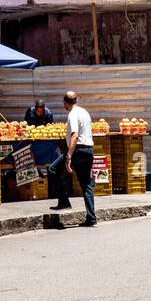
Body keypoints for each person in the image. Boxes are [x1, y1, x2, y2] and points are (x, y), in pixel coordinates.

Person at [47, 90, 97, 227]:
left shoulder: (72, 115)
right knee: (86, 184)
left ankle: (64, 201)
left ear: (65, 102)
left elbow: (75, 135)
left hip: (77, 151)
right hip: (88, 150)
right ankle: (91, 218)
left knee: (52, 170)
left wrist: (69, 156)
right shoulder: (85, 112)